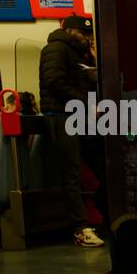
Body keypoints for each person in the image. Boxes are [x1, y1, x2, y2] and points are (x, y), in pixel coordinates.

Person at [40, 13, 103, 248]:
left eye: (89, 34)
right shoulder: (56, 49)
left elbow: (86, 84)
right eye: (83, 34)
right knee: (72, 172)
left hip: (75, 116)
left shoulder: (77, 54)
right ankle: (80, 228)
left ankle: (95, 219)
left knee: (93, 165)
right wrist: (86, 103)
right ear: (70, 32)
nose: (87, 38)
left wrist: (97, 62)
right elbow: (54, 82)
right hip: (60, 116)